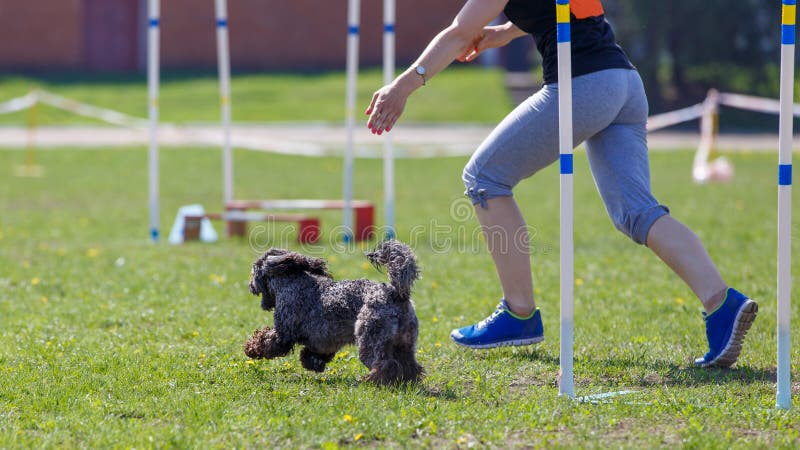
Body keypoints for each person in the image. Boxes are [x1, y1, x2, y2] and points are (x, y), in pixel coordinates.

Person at [365, 0, 757, 367]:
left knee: (484, 177)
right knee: (637, 212)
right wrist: (503, 33)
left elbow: (456, 33)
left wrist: (401, 87)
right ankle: (722, 304)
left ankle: (519, 313)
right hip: (623, 82)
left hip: (583, 84)